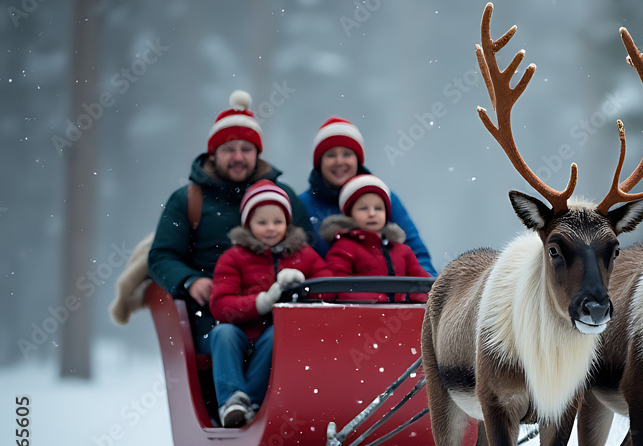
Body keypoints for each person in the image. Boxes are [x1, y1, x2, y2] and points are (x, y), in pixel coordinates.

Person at [147, 90, 313, 355]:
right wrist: (190, 281)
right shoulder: (189, 200)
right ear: (213, 154)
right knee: (228, 339)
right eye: (228, 149)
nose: (238, 157)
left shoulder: (283, 196)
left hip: (279, 314)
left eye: (246, 149)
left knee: (285, 343)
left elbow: (307, 247)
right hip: (213, 316)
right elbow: (161, 256)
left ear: (257, 153)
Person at [208, 180, 332, 427]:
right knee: (222, 334)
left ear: (287, 222)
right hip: (243, 333)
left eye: (277, 221)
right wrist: (262, 301)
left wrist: (303, 288)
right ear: (248, 224)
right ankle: (233, 401)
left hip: (279, 334)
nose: (271, 228)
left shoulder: (304, 255)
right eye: (262, 222)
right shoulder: (233, 258)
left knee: (279, 334)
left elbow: (328, 287)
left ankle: (253, 404)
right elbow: (221, 305)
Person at [298, 116, 437, 274]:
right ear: (319, 162)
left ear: (357, 159)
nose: (339, 161)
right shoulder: (302, 205)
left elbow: (415, 251)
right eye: (331, 155)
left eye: (346, 154)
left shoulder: (384, 198)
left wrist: (428, 284)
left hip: (388, 289)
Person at [321, 175, 431, 303]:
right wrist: (376, 300)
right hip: (361, 314)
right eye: (363, 208)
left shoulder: (402, 250)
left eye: (378, 208)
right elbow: (338, 287)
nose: (372, 214)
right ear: (350, 215)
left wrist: (419, 298)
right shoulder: (343, 248)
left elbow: (422, 282)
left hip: (401, 314)